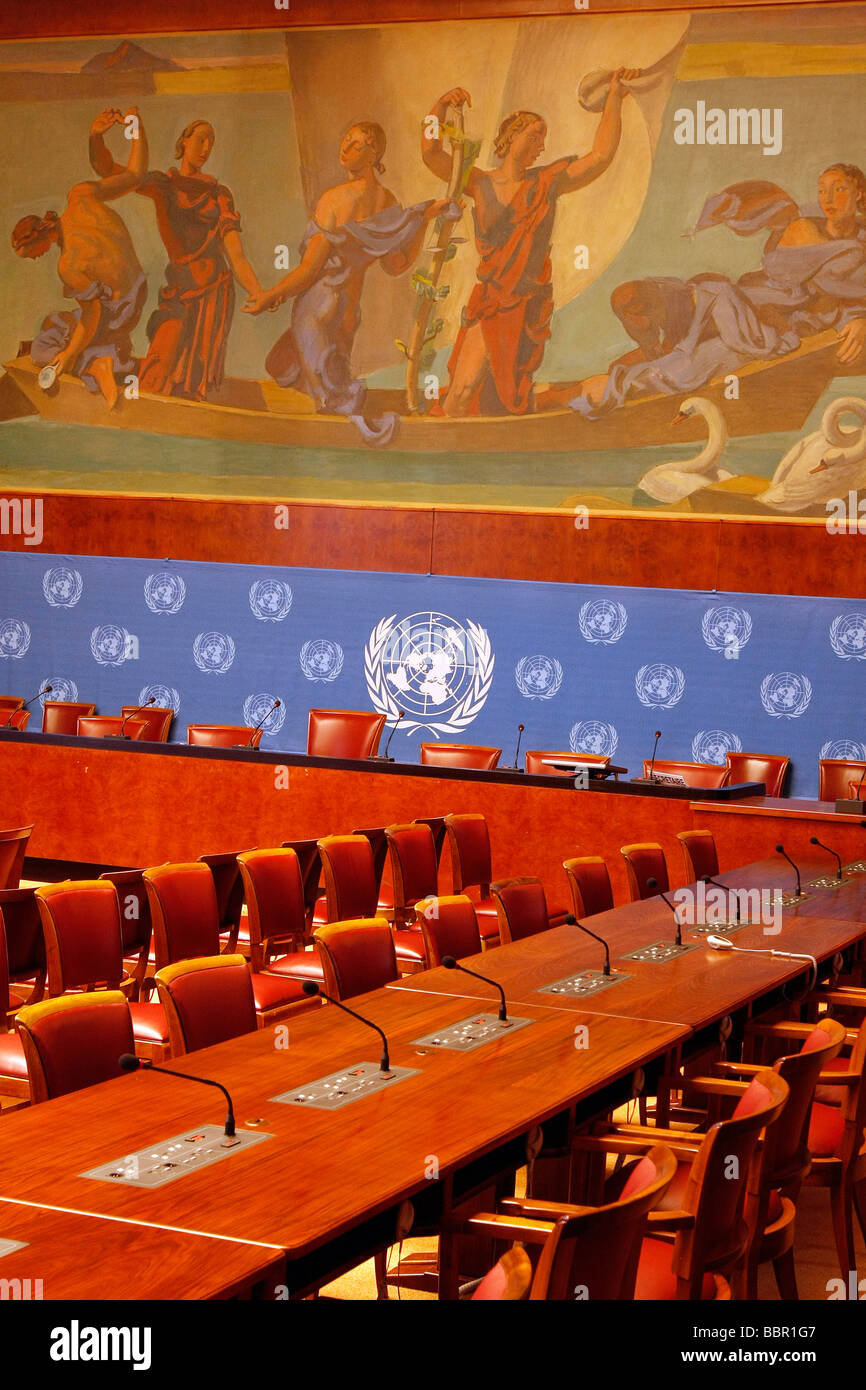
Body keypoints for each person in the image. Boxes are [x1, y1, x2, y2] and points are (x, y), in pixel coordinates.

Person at [421, 73, 639, 417]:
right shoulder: (478, 182)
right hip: (491, 302)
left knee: (501, 397)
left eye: (543, 138)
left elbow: (600, 156)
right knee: (464, 393)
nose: (541, 145)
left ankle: (581, 393)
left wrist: (614, 97)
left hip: (525, 307)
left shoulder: (546, 183)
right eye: (534, 135)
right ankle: (573, 394)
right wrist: (441, 106)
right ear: (511, 136)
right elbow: (431, 153)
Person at [573, 165, 866, 416]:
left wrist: (857, 319)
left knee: (692, 353)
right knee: (647, 299)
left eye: (839, 189)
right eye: (822, 190)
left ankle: (612, 385)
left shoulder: (855, 250)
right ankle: (634, 364)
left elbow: (842, 295)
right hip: (751, 299)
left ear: (859, 194)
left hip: (770, 319)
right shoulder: (805, 224)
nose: (829, 198)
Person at [243, 121, 458, 445]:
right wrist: (423, 221)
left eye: (357, 144)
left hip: (317, 308)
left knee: (334, 402)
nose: (345, 148)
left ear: (374, 155)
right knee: (293, 369)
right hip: (347, 313)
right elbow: (397, 265)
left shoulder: (333, 199)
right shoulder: (389, 203)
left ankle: (362, 436)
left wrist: (271, 294)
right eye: (346, 140)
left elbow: (309, 270)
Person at [89, 116, 263, 401]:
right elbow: (107, 169)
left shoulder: (219, 194)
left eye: (211, 142)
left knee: (193, 380)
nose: (206, 148)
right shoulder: (163, 185)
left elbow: (236, 255)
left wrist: (257, 291)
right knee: (161, 359)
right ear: (184, 140)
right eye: (201, 139)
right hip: (181, 288)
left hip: (214, 291)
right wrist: (96, 135)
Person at [13, 107, 148, 409]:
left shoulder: (69, 264)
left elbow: (92, 316)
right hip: (139, 290)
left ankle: (97, 364)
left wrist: (69, 356)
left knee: (42, 348)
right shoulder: (81, 195)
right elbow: (136, 175)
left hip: (119, 312)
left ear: (38, 237)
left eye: (30, 253)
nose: (33, 259)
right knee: (55, 320)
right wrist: (134, 127)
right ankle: (104, 355)